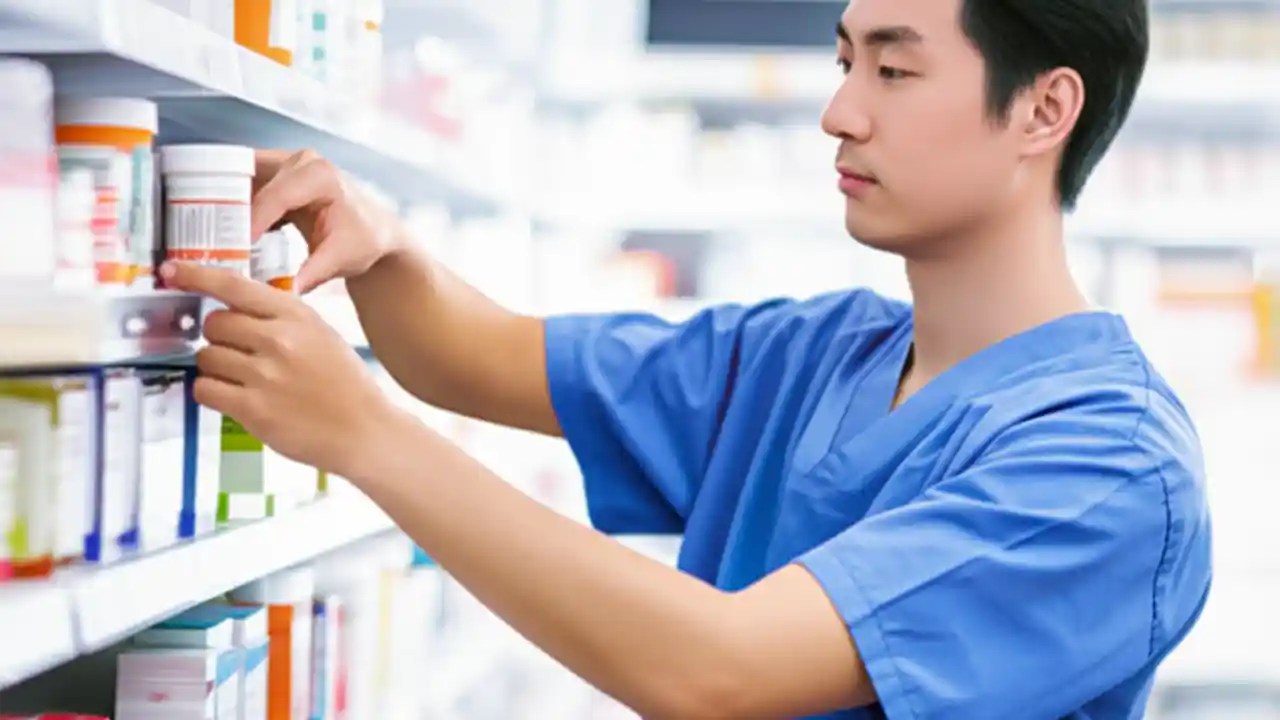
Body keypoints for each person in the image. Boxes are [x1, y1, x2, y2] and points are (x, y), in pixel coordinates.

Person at [162, 0, 1213, 717]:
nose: (838, 111)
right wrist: (378, 240)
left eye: (893, 69)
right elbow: (471, 358)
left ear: (1042, 110)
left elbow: (719, 671)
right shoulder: (805, 354)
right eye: (844, 61)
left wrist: (367, 437)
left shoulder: (1105, 469)